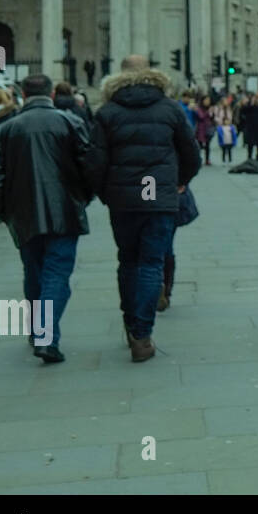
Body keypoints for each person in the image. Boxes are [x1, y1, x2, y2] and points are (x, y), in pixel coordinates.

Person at [84, 55, 200, 362]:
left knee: (128, 261)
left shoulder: (107, 112)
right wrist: (180, 182)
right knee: (152, 263)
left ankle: (130, 320)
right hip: (159, 198)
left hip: (124, 200)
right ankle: (142, 333)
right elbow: (192, 153)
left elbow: (94, 162)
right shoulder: (170, 109)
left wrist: (104, 192)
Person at [0, 74, 93, 363]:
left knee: (34, 273)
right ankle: (46, 337)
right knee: (56, 274)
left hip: (22, 213)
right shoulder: (71, 123)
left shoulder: (5, 129)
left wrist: (2, 211)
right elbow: (89, 167)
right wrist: (82, 198)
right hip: (64, 210)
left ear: (24, 95)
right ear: (51, 94)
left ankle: (38, 330)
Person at [194, 95, 217, 166]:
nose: (207, 102)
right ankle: (198, 159)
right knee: (199, 145)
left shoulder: (210, 108)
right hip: (200, 129)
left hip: (208, 129)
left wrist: (212, 113)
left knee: (207, 145)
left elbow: (212, 118)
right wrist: (208, 112)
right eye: (206, 100)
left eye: (208, 100)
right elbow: (201, 116)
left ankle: (207, 160)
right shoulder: (199, 108)